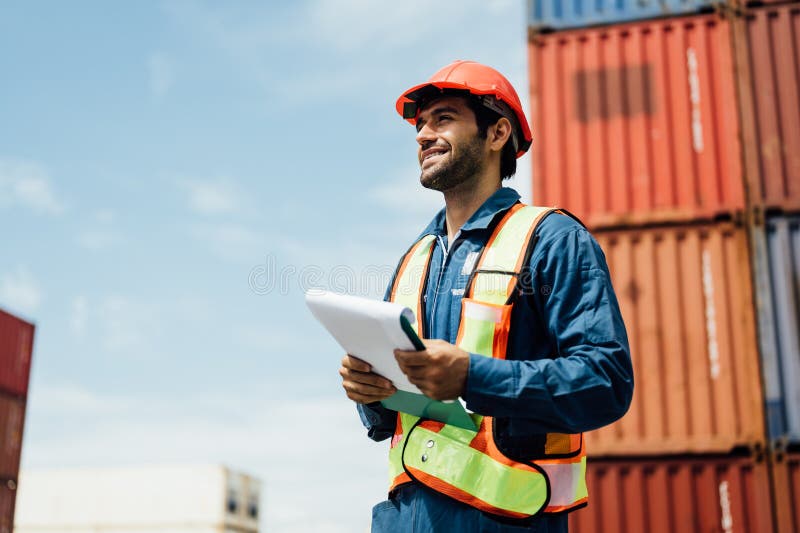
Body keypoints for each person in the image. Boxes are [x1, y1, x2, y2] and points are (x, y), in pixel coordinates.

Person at [338, 60, 634, 533]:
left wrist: (472, 376)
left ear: (497, 134)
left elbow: (606, 381)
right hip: (404, 520)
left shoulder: (552, 239)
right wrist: (368, 393)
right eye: (420, 124)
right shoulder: (414, 260)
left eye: (444, 118)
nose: (423, 135)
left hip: (506, 520)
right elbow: (393, 415)